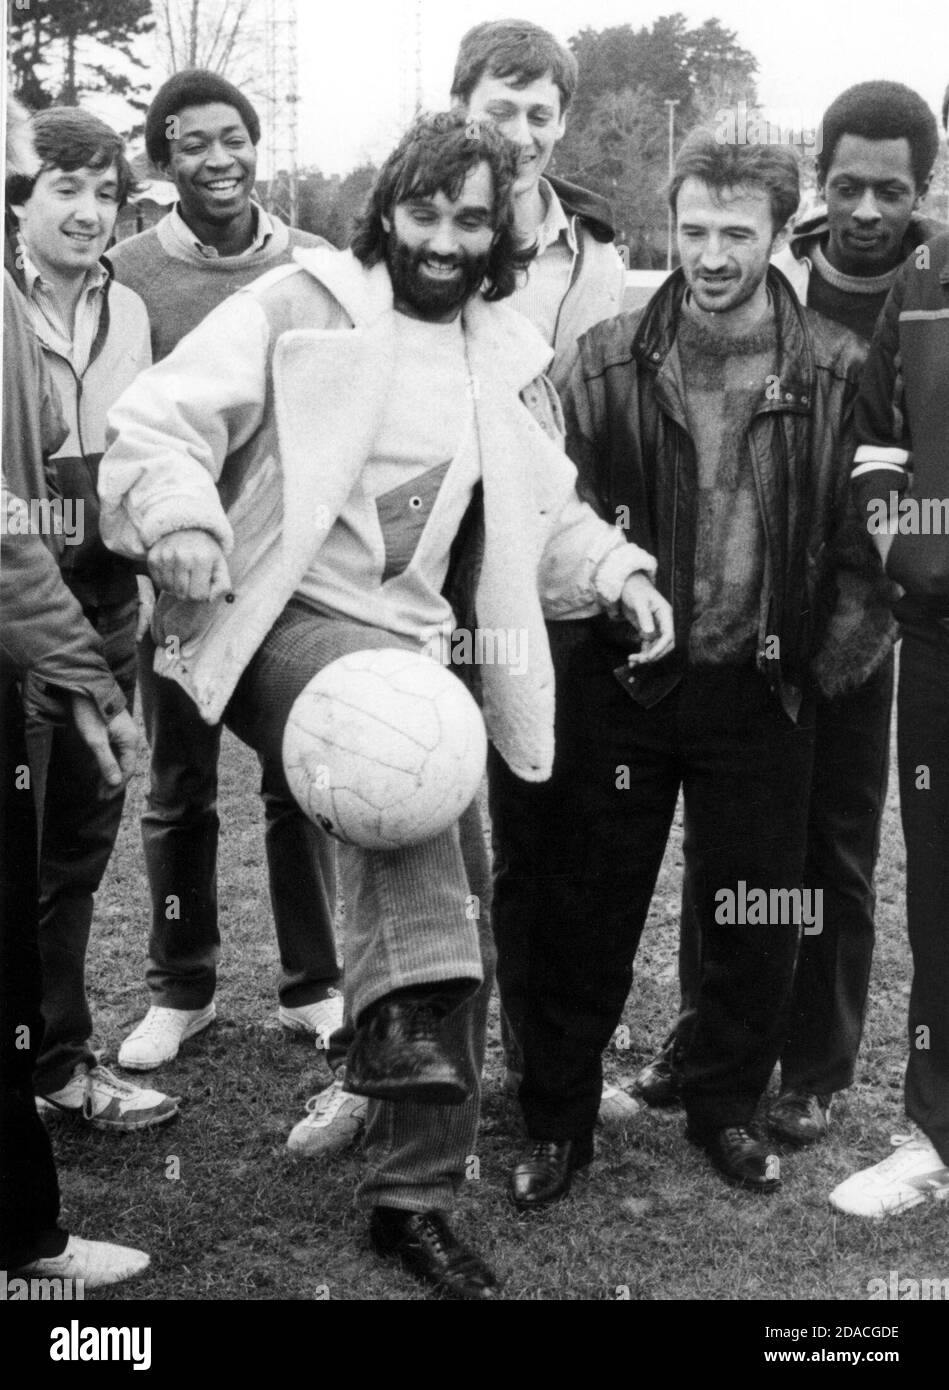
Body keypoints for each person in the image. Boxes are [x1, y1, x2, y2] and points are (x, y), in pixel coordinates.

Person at [99, 109, 672, 1297]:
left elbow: (546, 509)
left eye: (472, 218)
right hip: (270, 626)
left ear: (497, 234)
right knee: (397, 742)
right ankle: (383, 1042)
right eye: (425, 211)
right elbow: (156, 424)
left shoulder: (496, 351)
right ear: (389, 208)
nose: (445, 239)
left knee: (444, 890)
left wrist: (615, 571)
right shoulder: (299, 305)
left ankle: (412, 1190)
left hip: (416, 663)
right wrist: (180, 519)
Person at [491, 130, 875, 1210]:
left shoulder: (837, 370)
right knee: (584, 912)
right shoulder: (601, 357)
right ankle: (557, 1121)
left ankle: (723, 1109)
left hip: (759, 687)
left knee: (752, 916)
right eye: (694, 230)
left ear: (776, 235)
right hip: (624, 682)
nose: (710, 255)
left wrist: (817, 662)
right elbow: (540, 505)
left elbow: (862, 535)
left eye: (735, 234)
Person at [636, 81, 944, 1148]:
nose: (867, 210)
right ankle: (707, 1037)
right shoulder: (768, 256)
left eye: (892, 190)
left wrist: (877, 600)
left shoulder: (931, 285)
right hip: (739, 609)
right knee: (730, 847)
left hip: (858, 620)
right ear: (817, 181)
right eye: (848, 184)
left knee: (832, 848)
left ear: (923, 188)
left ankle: (815, 1062)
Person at [106, 70, 342, 1076]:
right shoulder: (129, 275)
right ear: (164, 163)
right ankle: (181, 988)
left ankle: (315, 985)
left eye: (232, 137)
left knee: (303, 781)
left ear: (258, 144)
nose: (218, 157)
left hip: (299, 577)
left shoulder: (320, 268)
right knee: (178, 786)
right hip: (180, 581)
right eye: (192, 142)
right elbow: (133, 433)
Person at [6, 107, 178, 1132]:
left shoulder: (133, 311)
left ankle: (59, 1063)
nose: (88, 211)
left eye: (105, 192)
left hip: (105, 606)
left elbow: (145, 457)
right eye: (64, 188)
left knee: (75, 848)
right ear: (18, 200)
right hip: (14, 614)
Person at [829, 86, 949, 1217]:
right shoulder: (922, 284)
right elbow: (876, 439)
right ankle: (935, 1134)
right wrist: (907, 547)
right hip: (941, 641)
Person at [450, 18, 626, 395]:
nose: (520, 136)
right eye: (500, 113)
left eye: (539, 116)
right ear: (460, 111)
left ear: (561, 122)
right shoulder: (419, 239)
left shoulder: (599, 259)